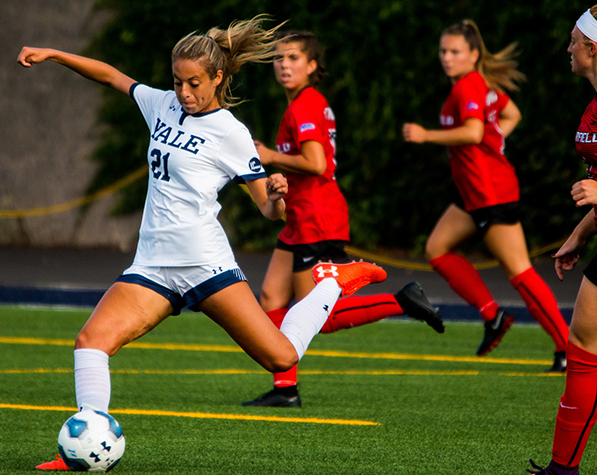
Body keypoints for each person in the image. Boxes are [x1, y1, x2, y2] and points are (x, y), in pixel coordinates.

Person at [17, 16, 387, 471]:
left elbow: (269, 212)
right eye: (177, 82)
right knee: (91, 341)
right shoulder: (161, 105)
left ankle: (331, 281)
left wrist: (275, 198)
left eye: (195, 83)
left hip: (206, 266)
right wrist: (54, 54)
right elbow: (112, 75)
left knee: (280, 357)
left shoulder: (230, 132)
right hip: (152, 267)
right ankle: (82, 444)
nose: (185, 93)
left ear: (218, 78)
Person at [241, 31, 444, 408]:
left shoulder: (304, 105)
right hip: (302, 216)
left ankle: (401, 302)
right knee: (271, 296)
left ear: (313, 65)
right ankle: (285, 390)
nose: (284, 64)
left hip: (316, 216)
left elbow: (316, 164)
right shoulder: (306, 102)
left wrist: (269, 155)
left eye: (293, 58)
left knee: (315, 313)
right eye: (279, 58)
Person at [402, 20, 569, 371]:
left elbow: (475, 131)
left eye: (455, 52)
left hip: (490, 190)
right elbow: (512, 114)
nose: (446, 58)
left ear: (473, 55)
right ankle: (493, 315)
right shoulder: (476, 84)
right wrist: (496, 140)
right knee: (437, 249)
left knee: (519, 270)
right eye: (443, 51)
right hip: (473, 189)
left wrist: (426, 136)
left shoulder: (467, 87)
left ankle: (567, 348)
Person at [527, 7, 597, 474]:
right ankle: (562, 468)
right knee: (585, 342)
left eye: (574, 40)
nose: (567, 48)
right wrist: (577, 234)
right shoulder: (592, 106)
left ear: (593, 49)